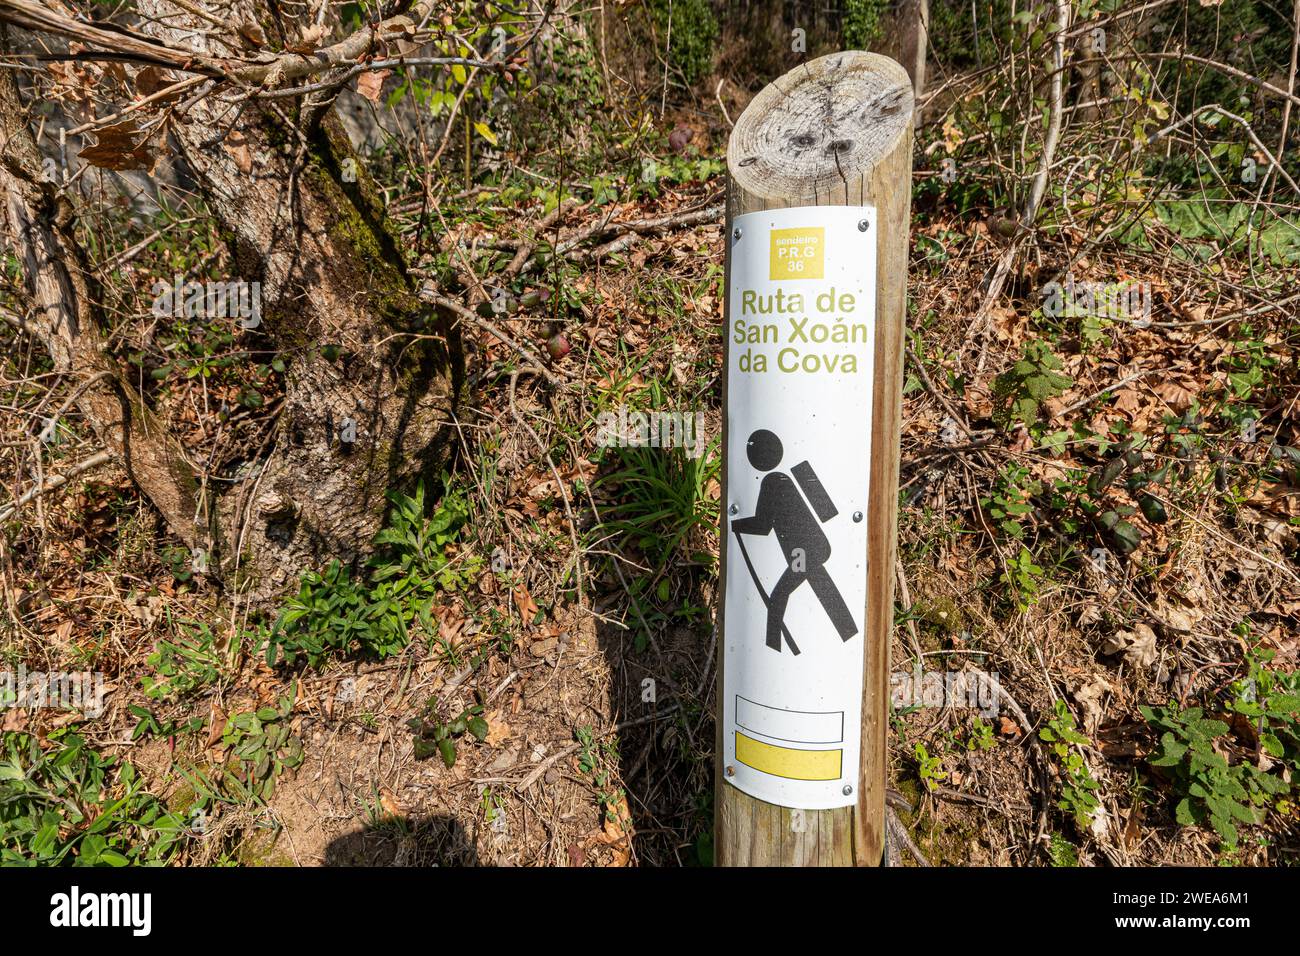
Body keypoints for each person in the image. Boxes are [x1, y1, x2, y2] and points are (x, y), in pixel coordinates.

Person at [732, 429, 858, 651]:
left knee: (778, 596)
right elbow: (828, 511)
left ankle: (772, 649)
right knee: (825, 591)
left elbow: (763, 526)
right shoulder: (795, 473)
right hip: (815, 548)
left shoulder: (773, 481)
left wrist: (735, 524)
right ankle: (850, 636)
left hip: (804, 552)